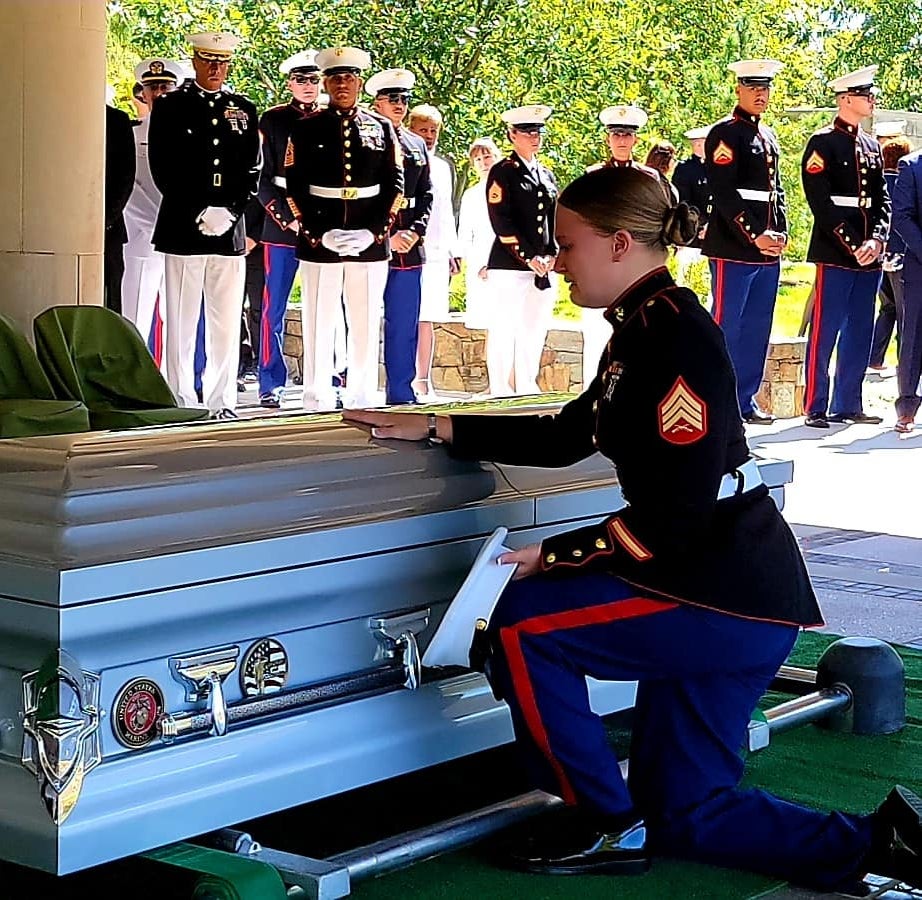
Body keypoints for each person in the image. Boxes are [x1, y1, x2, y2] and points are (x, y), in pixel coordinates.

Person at [342, 165, 922, 892]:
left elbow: (675, 514)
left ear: (620, 243)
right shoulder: (643, 327)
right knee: (688, 812)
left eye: (570, 243)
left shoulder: (674, 337)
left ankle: (604, 819)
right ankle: (885, 845)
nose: (555, 260)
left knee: (524, 627)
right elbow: (567, 433)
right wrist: (432, 424)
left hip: (719, 594)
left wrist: (551, 557)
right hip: (732, 593)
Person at [148, 31, 261, 419]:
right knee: (181, 321)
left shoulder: (242, 108)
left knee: (226, 322)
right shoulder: (170, 106)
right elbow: (162, 167)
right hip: (183, 228)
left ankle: (221, 400)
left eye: (222, 61)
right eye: (208, 60)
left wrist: (230, 211)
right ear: (195, 61)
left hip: (228, 230)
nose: (215, 68)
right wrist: (199, 209)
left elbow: (253, 169)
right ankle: (181, 398)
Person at [285, 46, 404, 410]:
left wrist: (375, 231)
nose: (342, 84)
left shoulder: (380, 126)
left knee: (366, 319)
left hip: (368, 239)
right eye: (335, 78)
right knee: (319, 318)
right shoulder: (306, 128)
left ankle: (362, 393)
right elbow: (294, 183)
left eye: (349, 78)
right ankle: (316, 394)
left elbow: (395, 185)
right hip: (322, 237)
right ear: (326, 83)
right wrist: (318, 232)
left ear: (359, 83)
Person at [801, 65, 890, 428]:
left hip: (869, 254)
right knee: (826, 329)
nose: (871, 101)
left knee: (860, 328)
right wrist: (854, 243)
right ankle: (816, 405)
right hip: (837, 251)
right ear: (844, 99)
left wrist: (878, 238)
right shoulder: (822, 143)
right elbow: (820, 202)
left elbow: (883, 199)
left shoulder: (871, 145)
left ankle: (848, 402)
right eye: (865, 95)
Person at [703, 59, 787, 425]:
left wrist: (781, 232)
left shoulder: (767, 136)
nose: (760, 94)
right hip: (734, 247)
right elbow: (724, 192)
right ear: (738, 90)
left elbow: (775, 191)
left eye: (765, 88)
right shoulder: (725, 133)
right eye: (753, 87)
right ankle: (713, 399)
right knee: (726, 326)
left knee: (756, 327)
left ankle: (743, 400)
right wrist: (755, 234)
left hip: (767, 252)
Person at [256, 49, 322, 409]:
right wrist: (287, 217)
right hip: (282, 227)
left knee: (327, 306)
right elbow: (263, 179)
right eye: (301, 80)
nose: (308, 86)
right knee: (273, 308)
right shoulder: (273, 120)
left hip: (322, 225)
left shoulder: (330, 118)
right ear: (289, 83)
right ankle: (270, 380)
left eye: (313, 80)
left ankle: (328, 376)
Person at [583, 105, 666, 387]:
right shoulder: (593, 176)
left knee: (640, 324)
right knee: (598, 329)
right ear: (608, 139)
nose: (621, 140)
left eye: (627, 135)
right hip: (603, 261)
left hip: (636, 263)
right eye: (616, 134)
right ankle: (593, 389)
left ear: (635, 141)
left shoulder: (649, 178)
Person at [368, 69, 433, 405]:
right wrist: (385, 238)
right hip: (372, 246)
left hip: (408, 247)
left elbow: (426, 193)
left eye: (404, 99)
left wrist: (415, 231)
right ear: (376, 102)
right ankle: (358, 388)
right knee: (362, 323)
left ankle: (401, 391)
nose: (399, 105)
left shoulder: (415, 142)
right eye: (392, 99)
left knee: (404, 324)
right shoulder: (365, 138)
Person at [485, 105, 558, 396]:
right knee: (504, 329)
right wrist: (528, 256)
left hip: (542, 265)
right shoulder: (503, 172)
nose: (534, 137)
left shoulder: (546, 174)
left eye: (537, 131)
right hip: (510, 263)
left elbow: (552, 219)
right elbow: (500, 219)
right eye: (527, 132)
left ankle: (527, 385)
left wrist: (551, 254)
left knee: (533, 329)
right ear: (512, 135)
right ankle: (500, 389)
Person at [122, 58, 182, 357]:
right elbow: (128, 188)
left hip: (183, 238)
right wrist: (160, 223)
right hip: (143, 237)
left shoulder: (191, 136)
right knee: (135, 314)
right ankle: (131, 382)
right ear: (142, 92)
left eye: (165, 86)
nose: (159, 92)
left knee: (180, 319)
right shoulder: (131, 136)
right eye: (152, 87)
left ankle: (176, 386)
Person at [408, 104, 459, 400]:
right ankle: (404, 375)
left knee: (428, 316)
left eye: (433, 131)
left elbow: (446, 212)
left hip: (437, 252)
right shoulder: (403, 158)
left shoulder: (441, 167)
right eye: (423, 130)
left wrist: (453, 250)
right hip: (409, 249)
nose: (429, 136)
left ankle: (423, 379)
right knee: (406, 316)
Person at [457, 137, 505, 395]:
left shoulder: (507, 190)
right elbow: (465, 234)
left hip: (507, 264)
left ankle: (509, 380)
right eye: (478, 159)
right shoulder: (471, 196)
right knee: (491, 327)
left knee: (507, 324)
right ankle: (494, 381)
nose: (483, 163)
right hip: (480, 267)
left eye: (487, 157)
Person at [869, 135, 911, 370]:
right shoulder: (906, 182)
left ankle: (875, 357)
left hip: (879, 255)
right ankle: (906, 361)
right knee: (906, 312)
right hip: (900, 255)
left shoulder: (877, 182)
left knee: (887, 307)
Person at [891, 143, 922, 433]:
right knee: (913, 338)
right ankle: (907, 409)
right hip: (920, 266)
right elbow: (901, 216)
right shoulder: (911, 166)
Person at [104, 95, 137, 316]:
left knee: (111, 301)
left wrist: (105, 220)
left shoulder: (117, 120)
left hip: (110, 229)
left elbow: (125, 177)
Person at [671, 126, 711, 286]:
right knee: (687, 282)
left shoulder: (716, 169)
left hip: (714, 238)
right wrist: (702, 224)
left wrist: (714, 225)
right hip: (692, 237)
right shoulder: (685, 170)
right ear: (698, 145)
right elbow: (684, 203)